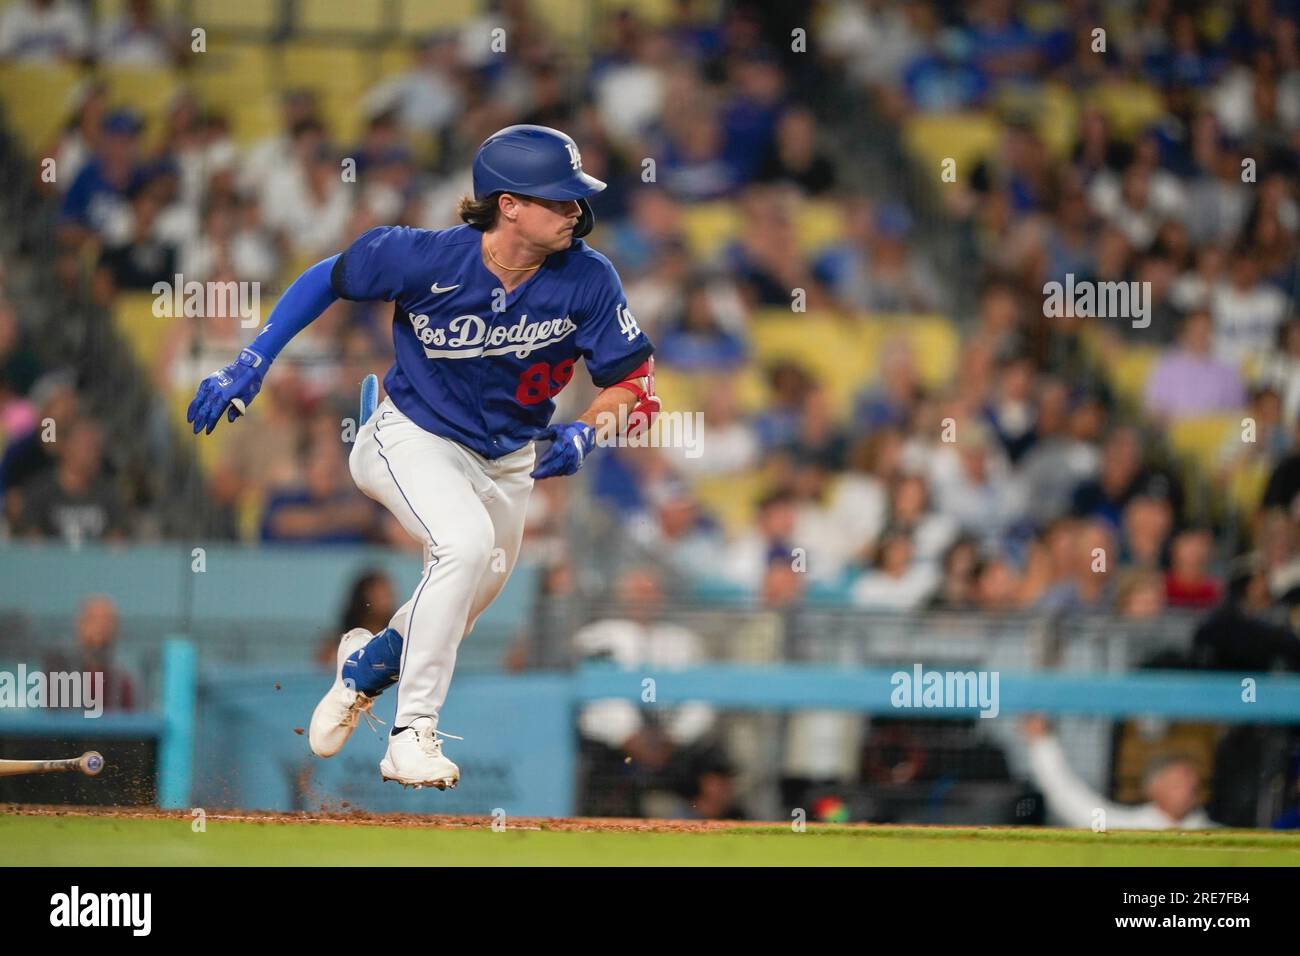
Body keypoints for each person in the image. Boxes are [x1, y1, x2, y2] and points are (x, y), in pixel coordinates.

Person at [187, 125, 658, 790]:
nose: (576, 211)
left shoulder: (588, 278)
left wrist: (586, 430)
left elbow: (634, 380)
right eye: (559, 199)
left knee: (463, 598)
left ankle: (366, 667)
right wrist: (252, 361)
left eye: (577, 199)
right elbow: (328, 277)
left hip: (509, 461)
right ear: (509, 204)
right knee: (461, 549)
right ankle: (410, 736)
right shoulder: (423, 256)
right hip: (410, 436)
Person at [1022, 716, 1214, 829]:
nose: (1189, 788)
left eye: (1193, 782)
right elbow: (1070, 799)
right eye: (1177, 783)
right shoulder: (1128, 828)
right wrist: (1042, 744)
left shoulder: (1219, 836)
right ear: (1153, 788)